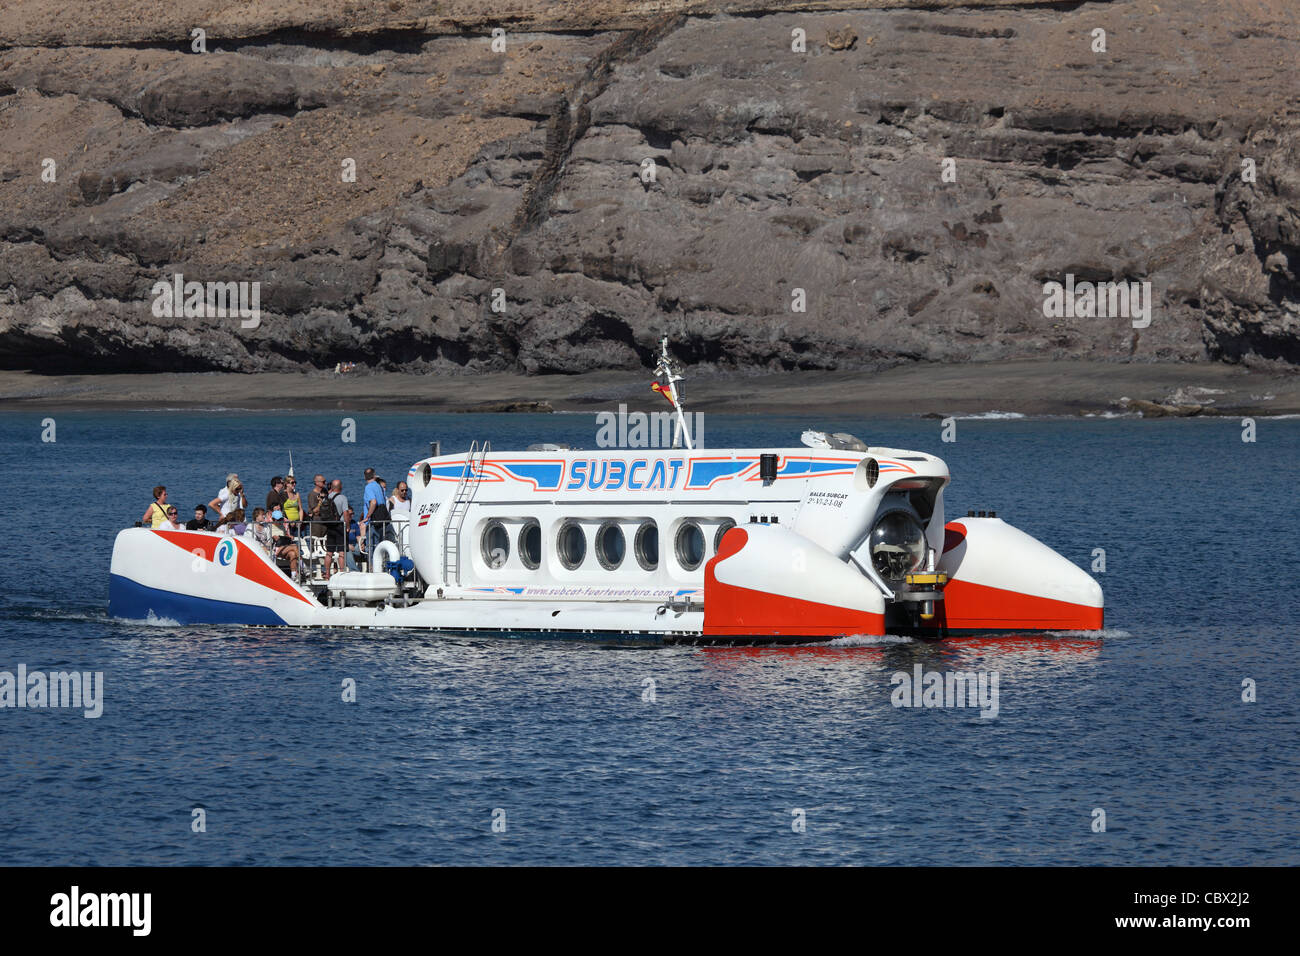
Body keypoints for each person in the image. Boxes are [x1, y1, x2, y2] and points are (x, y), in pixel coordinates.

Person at [306, 474, 328, 539]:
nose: (325, 483)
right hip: (317, 521)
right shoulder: (312, 495)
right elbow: (315, 511)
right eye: (323, 482)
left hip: (325, 520)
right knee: (316, 539)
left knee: (325, 540)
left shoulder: (325, 492)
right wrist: (320, 502)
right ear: (317, 483)